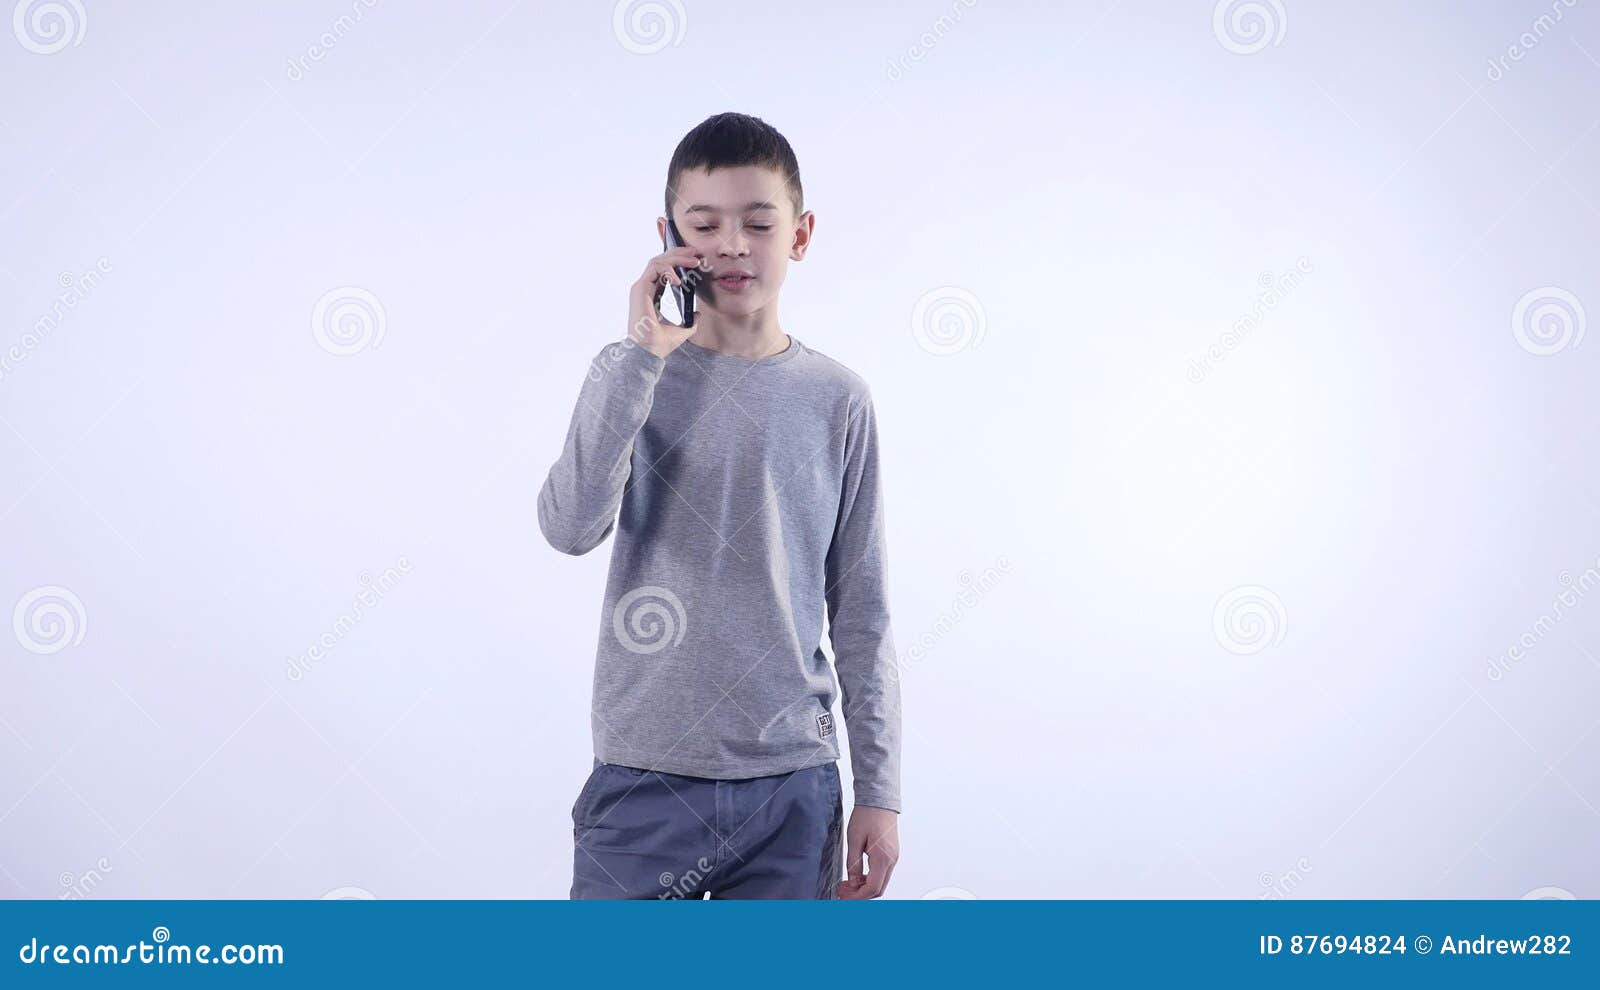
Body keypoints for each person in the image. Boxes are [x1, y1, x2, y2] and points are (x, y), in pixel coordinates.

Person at [537, 112, 901, 899]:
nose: (732, 244)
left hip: (791, 786)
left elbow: (862, 611)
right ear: (668, 234)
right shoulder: (631, 372)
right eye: (705, 224)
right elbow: (568, 528)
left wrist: (879, 788)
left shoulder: (837, 400)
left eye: (757, 222)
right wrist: (638, 356)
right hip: (644, 775)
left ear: (799, 236)